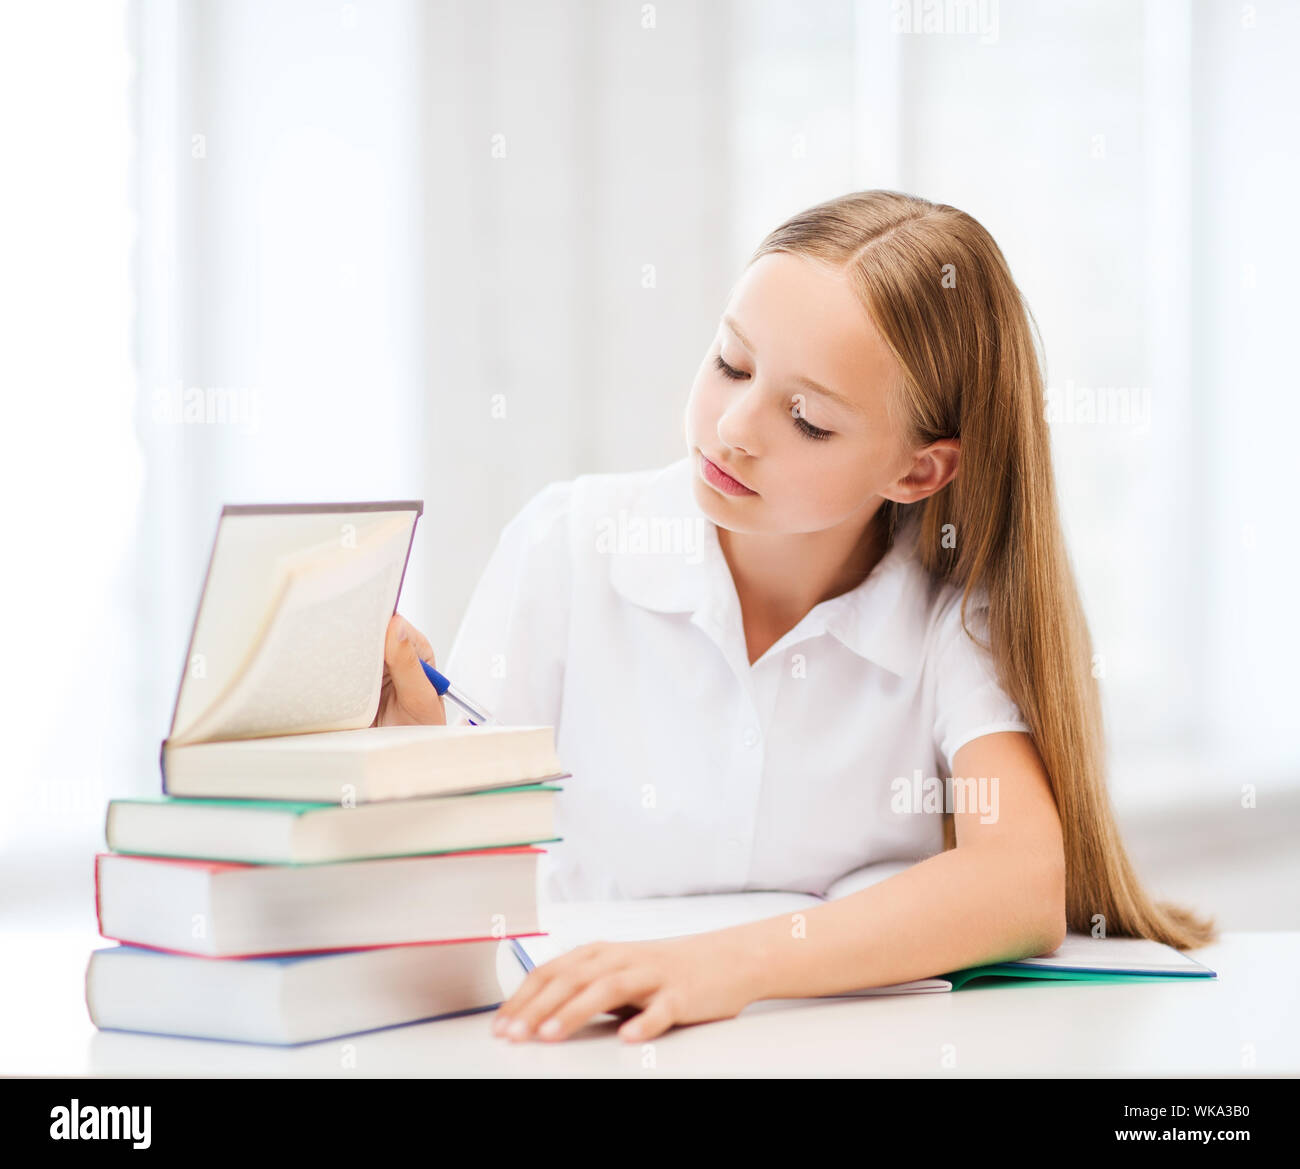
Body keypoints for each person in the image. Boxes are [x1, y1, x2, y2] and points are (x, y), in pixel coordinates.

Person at [376, 190, 1216, 1043]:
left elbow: (1020, 883)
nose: (735, 428)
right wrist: (411, 758)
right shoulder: (570, 544)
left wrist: (718, 965)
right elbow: (456, 875)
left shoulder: (955, 615)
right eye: (732, 365)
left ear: (920, 472)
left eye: (807, 419)